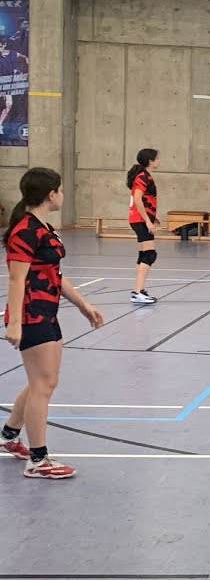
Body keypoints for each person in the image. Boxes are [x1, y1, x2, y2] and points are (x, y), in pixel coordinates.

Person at [1, 168, 105, 479]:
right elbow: (17, 279)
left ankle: (8, 435)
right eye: (60, 190)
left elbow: (54, 274)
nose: (62, 194)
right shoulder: (25, 231)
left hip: (48, 311)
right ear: (51, 194)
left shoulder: (43, 227)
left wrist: (83, 305)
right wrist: (15, 324)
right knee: (42, 385)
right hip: (32, 314)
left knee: (42, 381)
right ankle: (38, 460)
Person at [127, 148, 160, 305]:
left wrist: (153, 217)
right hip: (139, 219)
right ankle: (137, 293)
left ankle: (139, 290)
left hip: (140, 218)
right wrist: (147, 220)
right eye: (157, 158)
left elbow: (147, 200)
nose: (159, 160)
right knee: (150, 254)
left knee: (143, 255)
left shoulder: (145, 175)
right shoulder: (142, 176)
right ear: (150, 161)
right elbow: (138, 199)